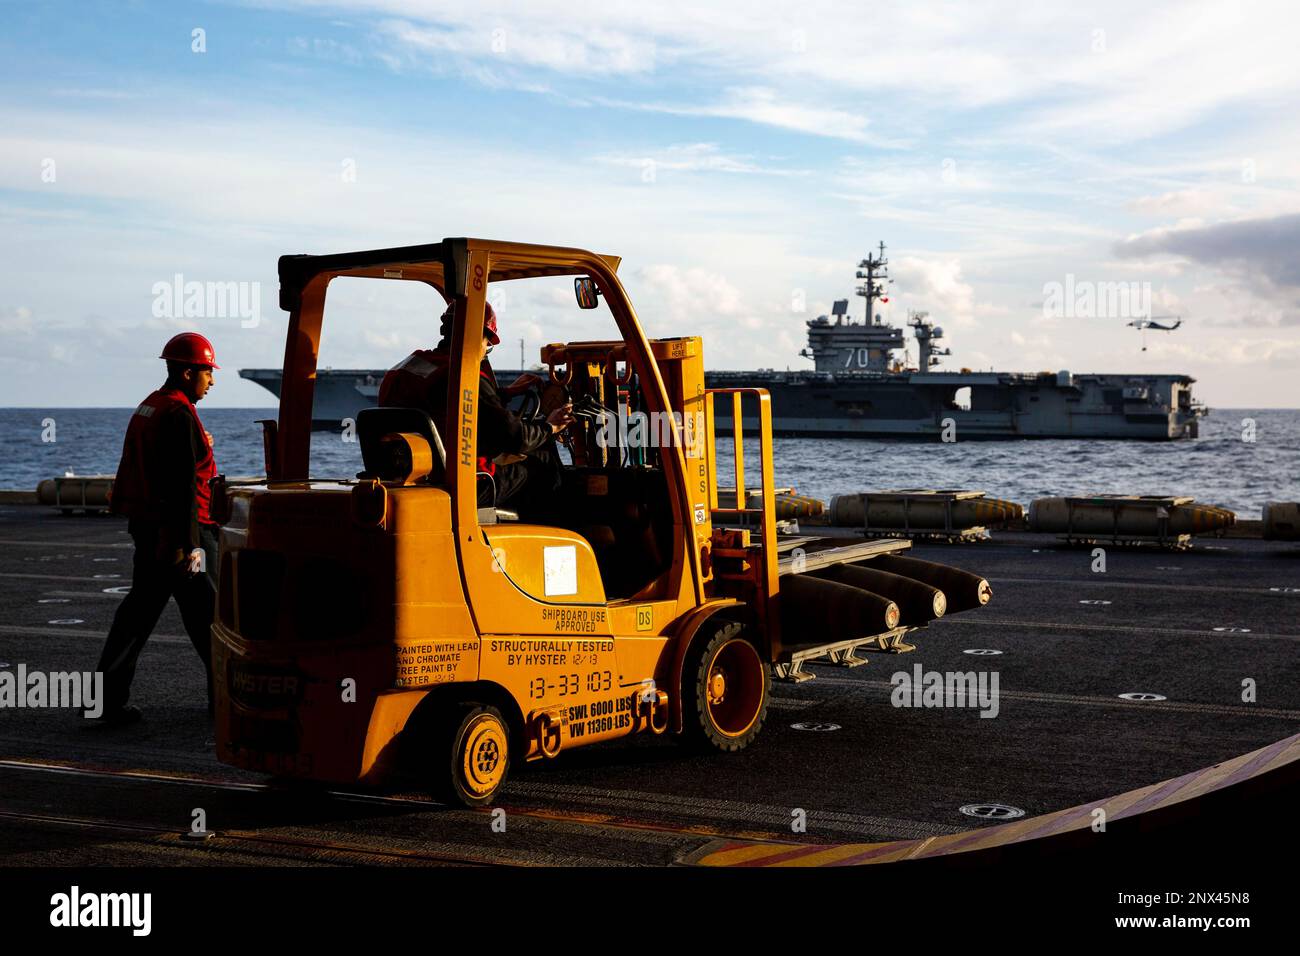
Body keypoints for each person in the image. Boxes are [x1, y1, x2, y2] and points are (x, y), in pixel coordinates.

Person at [91, 332, 221, 725]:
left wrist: (199, 442)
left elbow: (159, 464)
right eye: (207, 373)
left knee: (137, 617)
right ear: (186, 373)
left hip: (151, 532)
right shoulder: (179, 415)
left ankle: (104, 701)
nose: (211, 381)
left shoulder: (152, 406)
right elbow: (180, 488)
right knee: (213, 622)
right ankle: (229, 704)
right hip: (183, 535)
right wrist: (191, 548)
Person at [379, 303, 574, 514]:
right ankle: (559, 537)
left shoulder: (406, 368)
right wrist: (551, 426)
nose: (484, 352)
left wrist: (503, 394)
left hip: (413, 476)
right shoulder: (466, 377)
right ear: (476, 336)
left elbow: (445, 402)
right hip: (467, 484)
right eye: (487, 344)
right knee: (542, 465)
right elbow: (515, 437)